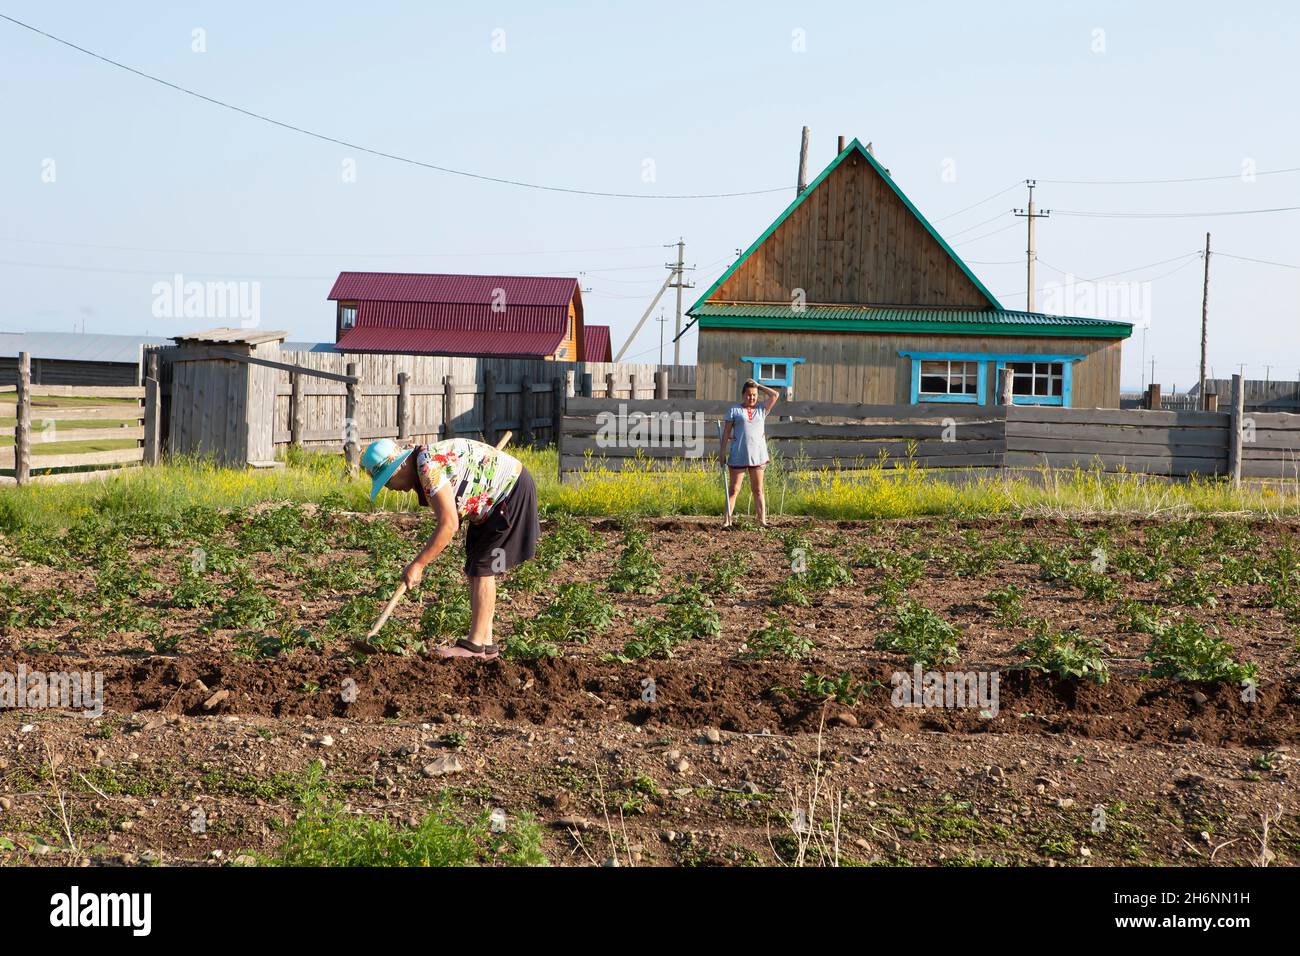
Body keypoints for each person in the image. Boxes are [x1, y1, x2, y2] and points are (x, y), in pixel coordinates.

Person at [360, 436, 539, 659]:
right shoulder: (424, 463)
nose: (389, 487)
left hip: (508, 494)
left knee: (483, 567)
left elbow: (449, 524)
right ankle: (486, 644)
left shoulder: (427, 467)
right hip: (490, 500)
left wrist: (418, 564)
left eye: (387, 480)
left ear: (399, 466)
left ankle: (474, 646)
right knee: (476, 565)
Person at [719, 379, 780, 527]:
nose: (751, 398)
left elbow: (775, 395)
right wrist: (722, 451)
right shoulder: (734, 410)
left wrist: (758, 386)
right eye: (748, 395)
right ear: (743, 395)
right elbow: (727, 432)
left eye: (754, 395)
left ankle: (761, 521)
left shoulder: (761, 409)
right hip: (739, 455)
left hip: (757, 455)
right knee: (733, 489)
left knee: (758, 489)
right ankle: (727, 521)